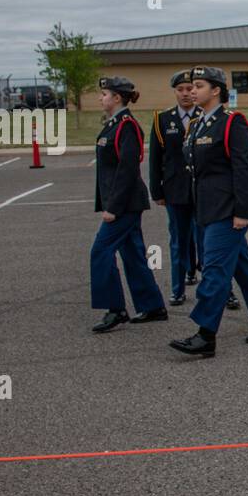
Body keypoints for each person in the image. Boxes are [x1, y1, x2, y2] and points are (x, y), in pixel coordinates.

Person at [168, 66, 248, 356]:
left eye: (199, 86)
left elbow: (244, 169)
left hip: (229, 210)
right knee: (242, 267)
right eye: (191, 86)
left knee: (215, 270)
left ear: (216, 90)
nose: (192, 90)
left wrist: (244, 211)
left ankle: (206, 335)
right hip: (205, 208)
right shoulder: (198, 124)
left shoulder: (232, 123)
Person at [90, 76, 167, 332]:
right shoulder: (113, 125)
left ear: (117, 98)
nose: (101, 98)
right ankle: (153, 305)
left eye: (104, 94)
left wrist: (112, 207)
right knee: (133, 255)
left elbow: (127, 170)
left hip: (124, 205)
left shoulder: (127, 126)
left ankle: (115, 308)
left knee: (100, 252)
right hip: (122, 203)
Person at [149, 70, 201, 304]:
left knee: (208, 241)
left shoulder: (206, 116)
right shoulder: (163, 119)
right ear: (175, 92)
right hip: (175, 190)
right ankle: (178, 289)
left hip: (203, 190)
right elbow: (155, 158)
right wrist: (157, 191)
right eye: (181, 90)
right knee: (178, 240)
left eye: (190, 89)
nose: (186, 94)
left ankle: (223, 289)